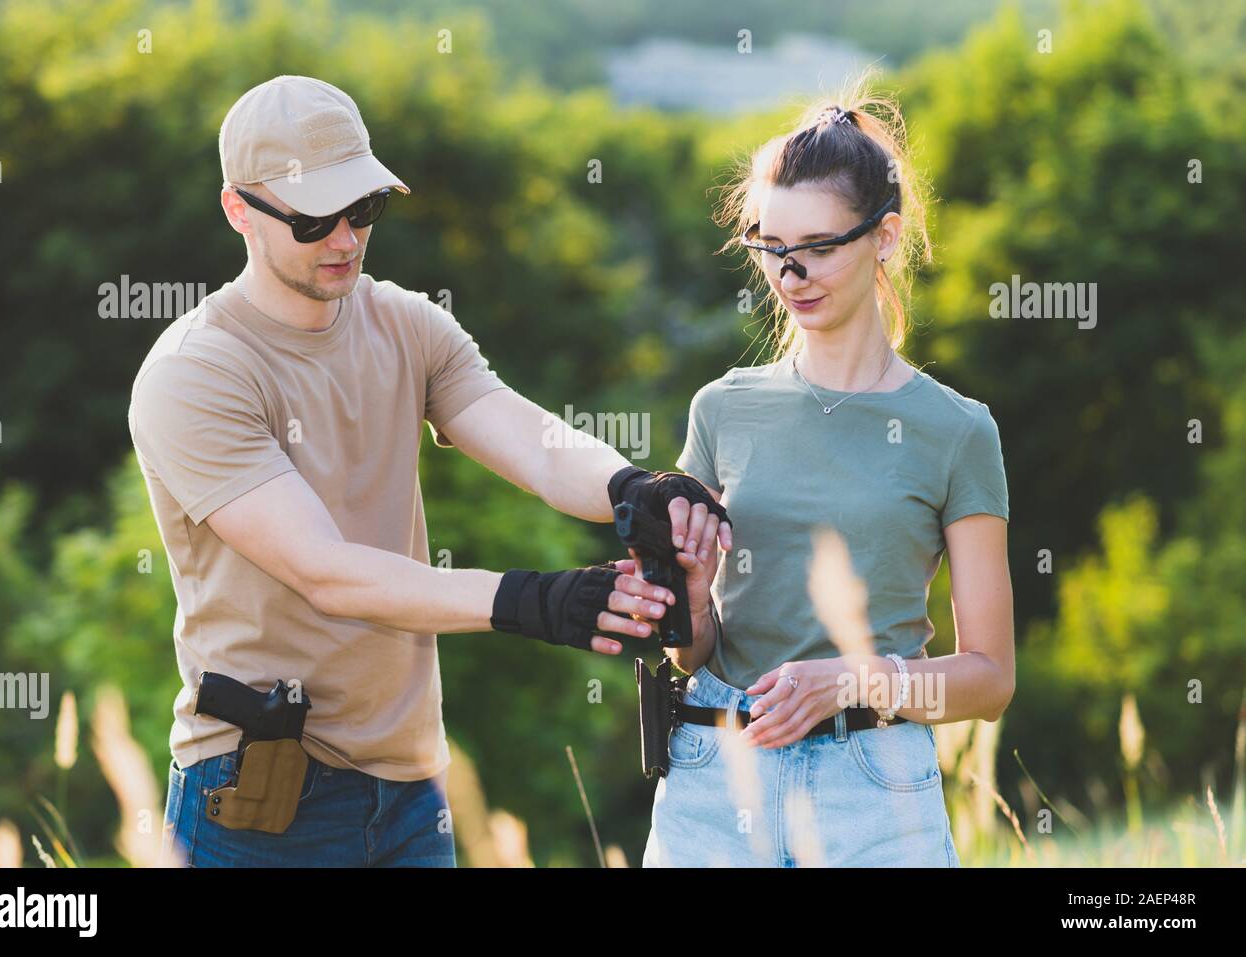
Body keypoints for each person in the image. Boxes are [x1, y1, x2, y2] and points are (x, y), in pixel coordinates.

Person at [128, 75, 729, 867]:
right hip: (262, 793)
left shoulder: (405, 321)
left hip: (413, 785)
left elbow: (522, 432)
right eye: (314, 219)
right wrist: (533, 600)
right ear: (239, 210)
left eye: (363, 208)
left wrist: (632, 487)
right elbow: (327, 572)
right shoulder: (196, 372)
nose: (345, 237)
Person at [641, 83, 1014, 867]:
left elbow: (989, 679)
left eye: (817, 247)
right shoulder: (721, 409)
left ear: (884, 237)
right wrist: (693, 602)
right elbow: (692, 648)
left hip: (873, 789)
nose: (790, 273)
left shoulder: (958, 430)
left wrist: (852, 680)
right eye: (770, 247)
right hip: (715, 772)